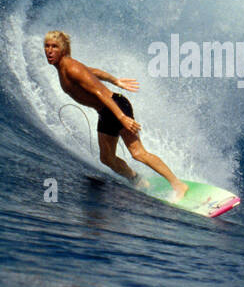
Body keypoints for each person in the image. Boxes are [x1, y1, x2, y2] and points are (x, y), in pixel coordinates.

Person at [44, 30, 188, 200]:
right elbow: (93, 72)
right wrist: (115, 80)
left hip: (116, 107)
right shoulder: (65, 67)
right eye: (47, 46)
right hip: (106, 112)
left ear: (63, 49)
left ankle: (178, 185)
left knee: (138, 152)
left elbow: (101, 92)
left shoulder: (71, 67)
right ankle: (138, 180)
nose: (49, 50)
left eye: (54, 46)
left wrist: (122, 117)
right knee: (106, 158)